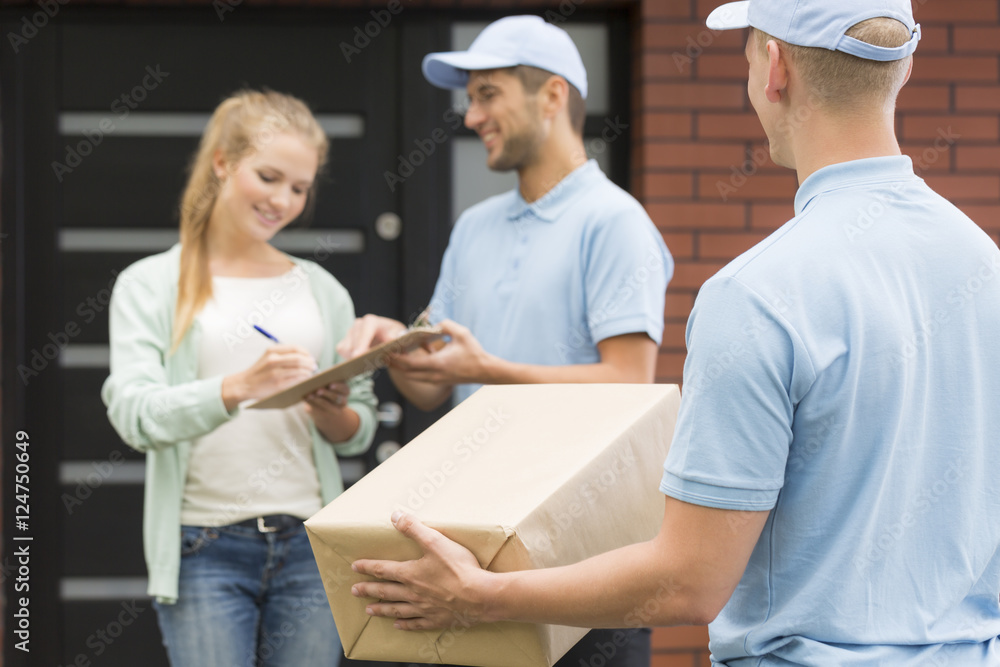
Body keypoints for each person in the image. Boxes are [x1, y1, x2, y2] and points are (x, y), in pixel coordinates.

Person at [348, 1, 1000, 664]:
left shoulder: (754, 294)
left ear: (773, 68)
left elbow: (689, 579)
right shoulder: (986, 265)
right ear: (907, 65)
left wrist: (482, 594)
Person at [338, 15, 672, 667]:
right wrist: (394, 351)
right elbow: (432, 383)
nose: (470, 116)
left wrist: (486, 366)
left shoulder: (613, 223)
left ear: (551, 96)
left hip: (584, 556)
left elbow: (630, 382)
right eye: (470, 99)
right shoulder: (475, 227)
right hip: (479, 543)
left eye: (488, 94)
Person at [102, 90, 378, 666]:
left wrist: (329, 408)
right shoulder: (150, 285)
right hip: (204, 548)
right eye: (270, 176)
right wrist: (237, 388)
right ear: (223, 163)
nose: (283, 199)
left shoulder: (320, 289)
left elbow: (358, 429)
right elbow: (135, 413)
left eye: (300, 188)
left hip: (310, 544)